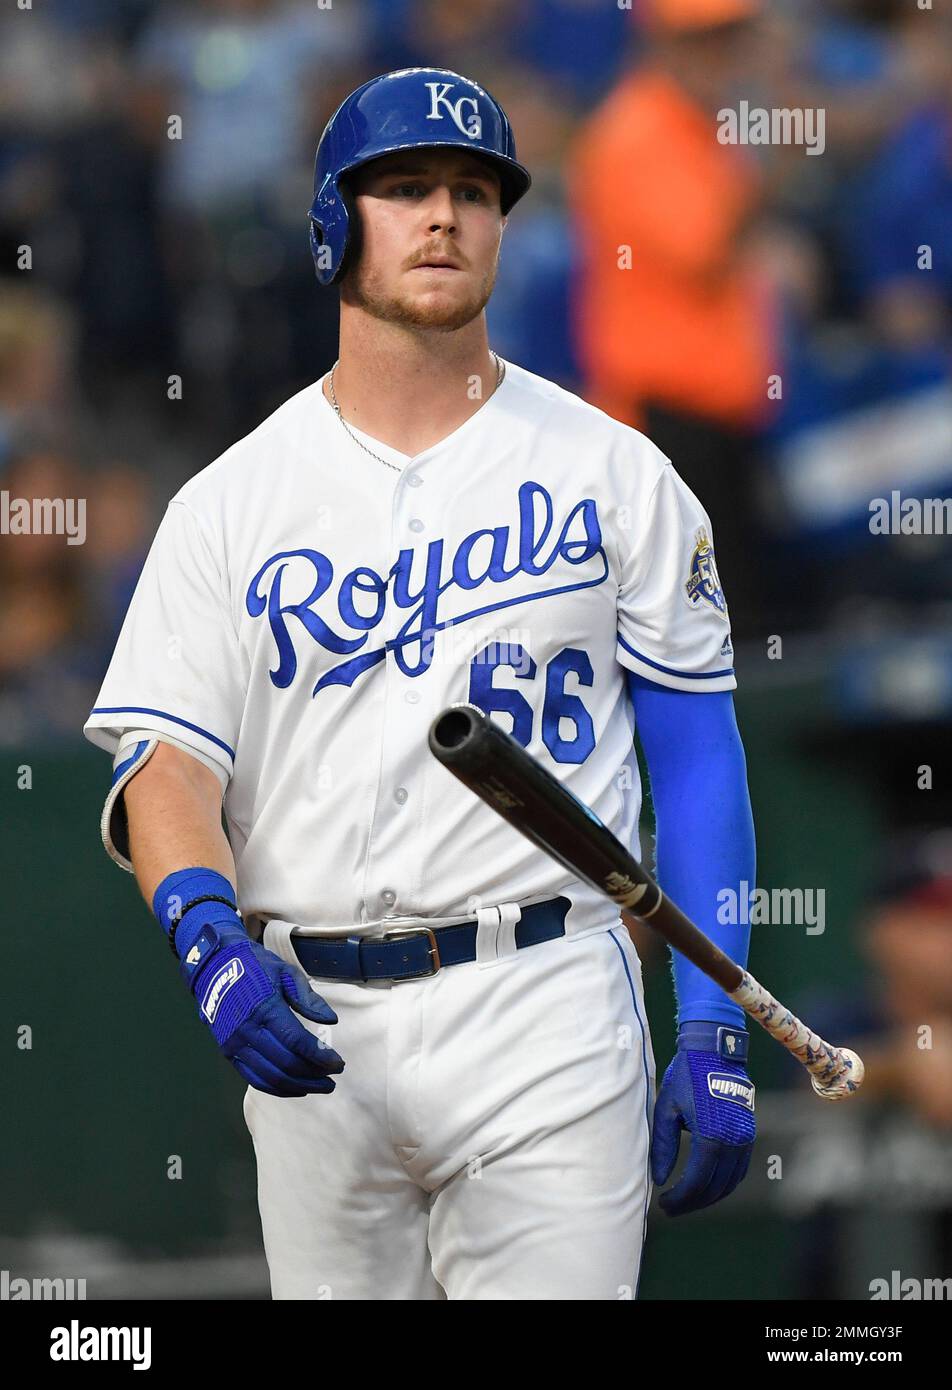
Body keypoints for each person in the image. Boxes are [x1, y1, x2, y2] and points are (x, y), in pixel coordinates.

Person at [83, 66, 757, 1301]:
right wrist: (204, 935)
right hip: (318, 1014)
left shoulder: (619, 472)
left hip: (544, 990)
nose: (443, 214)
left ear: (505, 223)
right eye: (404, 189)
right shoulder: (229, 503)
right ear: (337, 226)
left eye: (471, 190)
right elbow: (168, 762)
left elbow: (699, 754)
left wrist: (712, 1023)